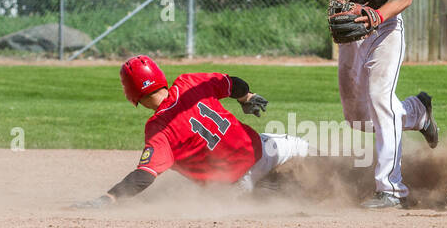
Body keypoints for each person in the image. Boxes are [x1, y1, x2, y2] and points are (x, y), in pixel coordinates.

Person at [263, 0, 438, 209]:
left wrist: (378, 15)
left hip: (385, 27)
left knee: (379, 98)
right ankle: (417, 112)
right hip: (349, 32)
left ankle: (390, 188)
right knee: (358, 118)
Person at [74, 56, 309, 206]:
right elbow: (234, 82)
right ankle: (328, 174)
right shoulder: (189, 83)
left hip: (237, 186)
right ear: (159, 75)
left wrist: (109, 198)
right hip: (267, 151)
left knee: (254, 199)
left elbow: (143, 176)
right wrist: (246, 97)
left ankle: (273, 191)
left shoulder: (158, 129)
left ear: (131, 94)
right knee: (319, 159)